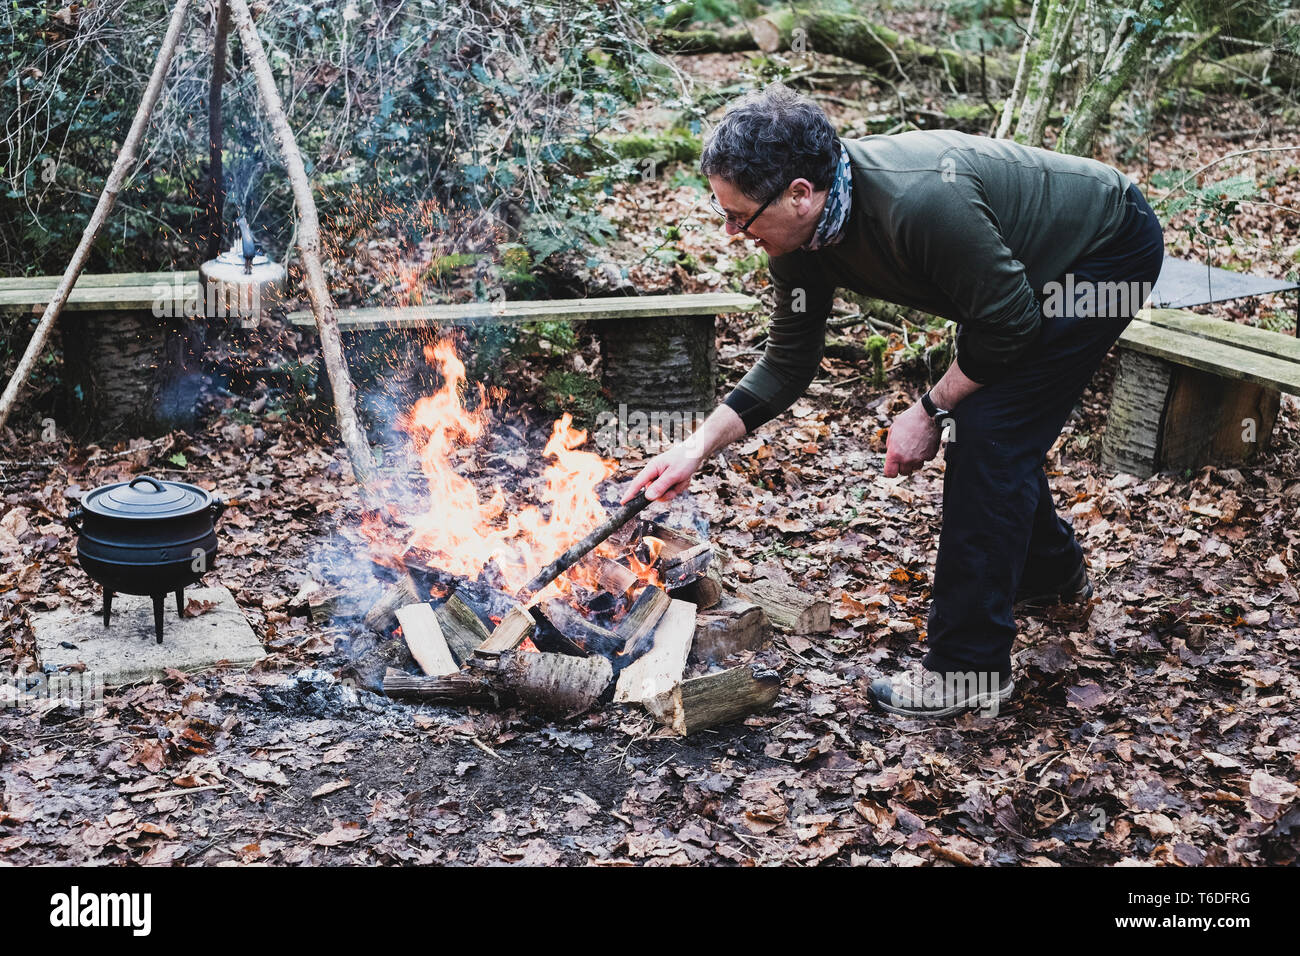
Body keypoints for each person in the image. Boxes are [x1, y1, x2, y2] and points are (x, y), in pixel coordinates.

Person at [621, 84, 1166, 718]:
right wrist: (697, 446)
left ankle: (969, 670)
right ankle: (1049, 572)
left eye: (740, 216)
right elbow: (789, 361)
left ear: (800, 193)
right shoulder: (801, 240)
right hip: (1011, 280)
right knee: (996, 425)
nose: (732, 231)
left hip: (1104, 251)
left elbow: (1011, 326)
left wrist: (930, 410)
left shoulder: (920, 203)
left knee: (988, 429)